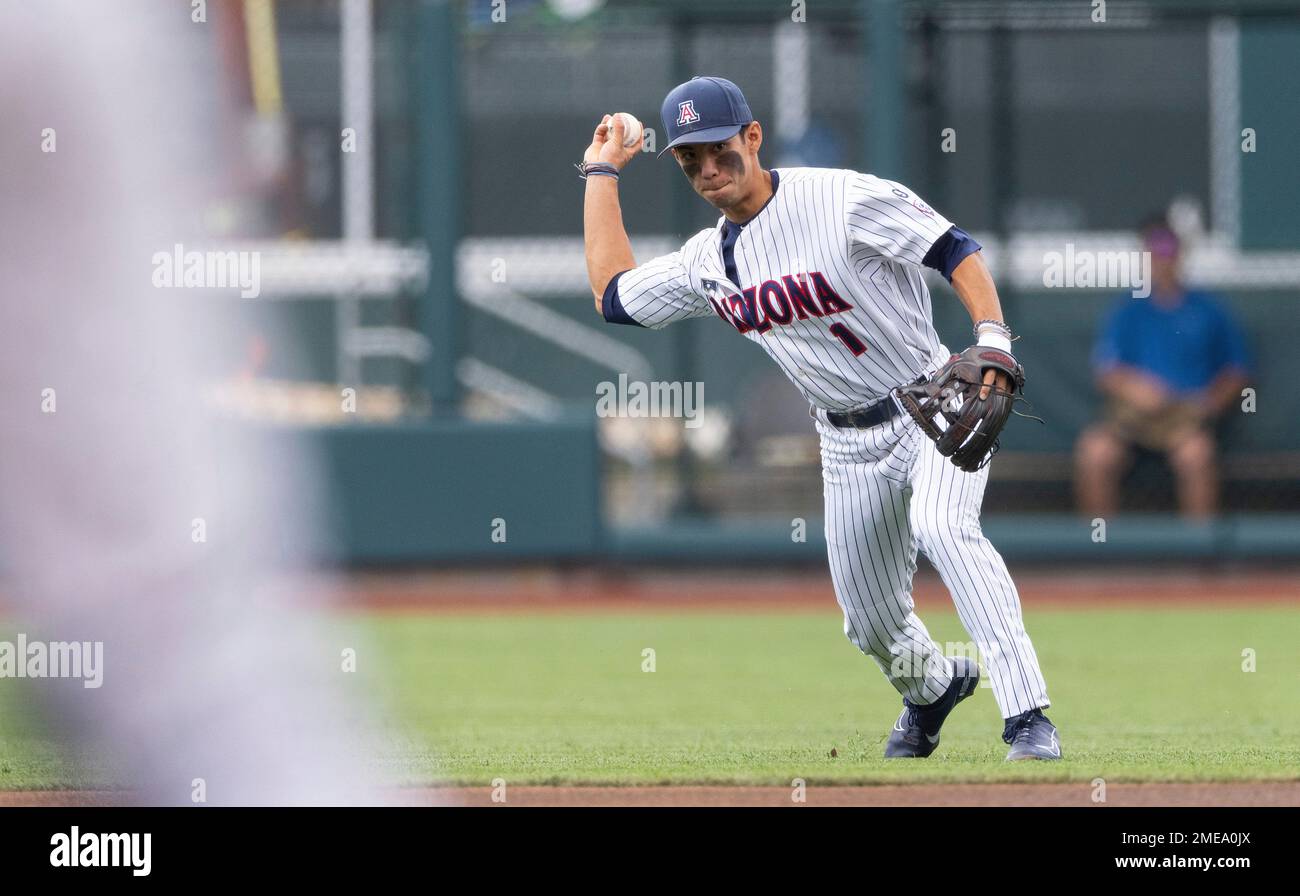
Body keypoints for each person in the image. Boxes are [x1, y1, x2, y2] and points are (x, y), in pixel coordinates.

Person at [579, 77, 1059, 761]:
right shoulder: (708, 260)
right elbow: (614, 296)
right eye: (691, 160)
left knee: (942, 527)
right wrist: (600, 173)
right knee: (868, 622)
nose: (709, 170)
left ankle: (1028, 716)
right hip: (843, 439)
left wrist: (993, 338)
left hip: (930, 402)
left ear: (752, 137)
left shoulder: (842, 199)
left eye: (720, 151)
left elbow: (954, 248)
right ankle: (932, 689)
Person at [1075, 221, 1251, 519]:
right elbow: (1107, 371)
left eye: (1168, 251)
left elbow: (1238, 372)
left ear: (1181, 254)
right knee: (1094, 453)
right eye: (1154, 252)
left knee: (1196, 457)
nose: (1162, 260)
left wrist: (1208, 403)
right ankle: (1101, 554)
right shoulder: (1129, 308)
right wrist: (1136, 388)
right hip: (1133, 421)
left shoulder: (1209, 308)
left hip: (1184, 421)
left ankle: (1199, 556)